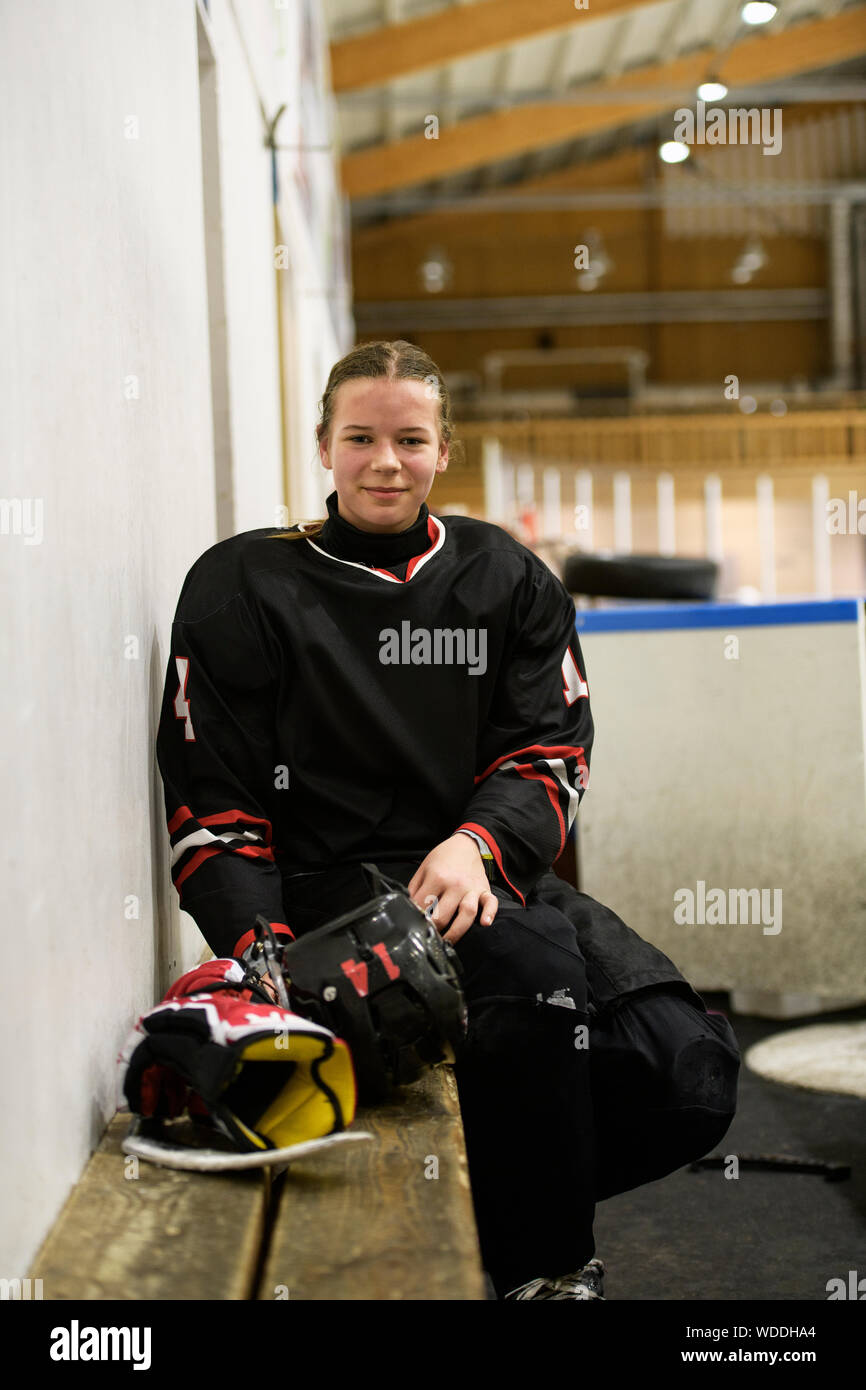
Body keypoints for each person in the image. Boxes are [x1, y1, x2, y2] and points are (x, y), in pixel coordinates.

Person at [156, 339, 739, 1300]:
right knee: (534, 983)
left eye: (411, 440)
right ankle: (539, 1271)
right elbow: (212, 794)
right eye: (361, 438)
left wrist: (478, 842)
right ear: (324, 446)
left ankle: (492, 1200)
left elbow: (549, 749)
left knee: (688, 1075)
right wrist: (261, 951)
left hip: (482, 868)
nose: (386, 462)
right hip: (328, 891)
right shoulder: (240, 585)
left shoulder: (504, 575)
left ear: (443, 450)